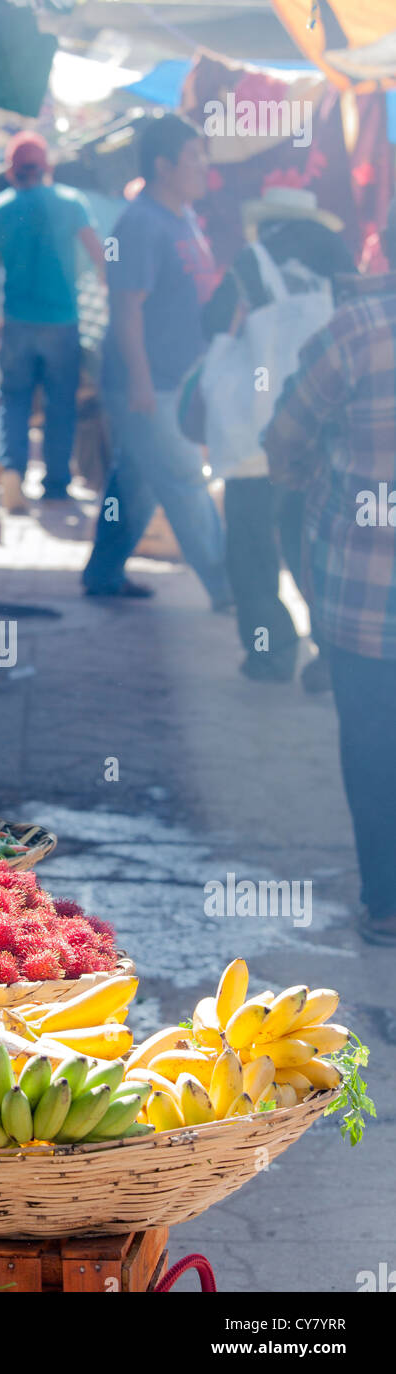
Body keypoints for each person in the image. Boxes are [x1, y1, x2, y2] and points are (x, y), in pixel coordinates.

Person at [262, 200, 396, 946]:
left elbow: (284, 432)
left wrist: (308, 477)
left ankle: (387, 902)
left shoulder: (356, 331)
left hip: (362, 590)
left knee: (374, 745)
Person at [190, 189, 355, 684]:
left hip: (255, 431)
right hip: (321, 424)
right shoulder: (335, 254)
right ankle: (332, 652)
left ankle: (272, 649)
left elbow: (214, 321)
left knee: (251, 541)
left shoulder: (253, 258)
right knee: (312, 541)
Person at [82, 114, 230, 606]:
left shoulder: (182, 217)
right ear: (164, 166)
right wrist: (141, 383)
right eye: (194, 157)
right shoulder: (140, 222)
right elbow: (126, 308)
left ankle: (102, 574)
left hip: (175, 377)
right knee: (186, 481)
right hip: (149, 383)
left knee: (137, 480)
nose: (203, 166)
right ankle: (230, 589)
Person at [0, 131, 105, 510]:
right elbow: (100, 258)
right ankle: (56, 483)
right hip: (62, 322)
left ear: (11, 171)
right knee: (60, 403)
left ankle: (13, 471)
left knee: (14, 398)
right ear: (46, 166)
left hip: (16, 321)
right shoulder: (72, 203)